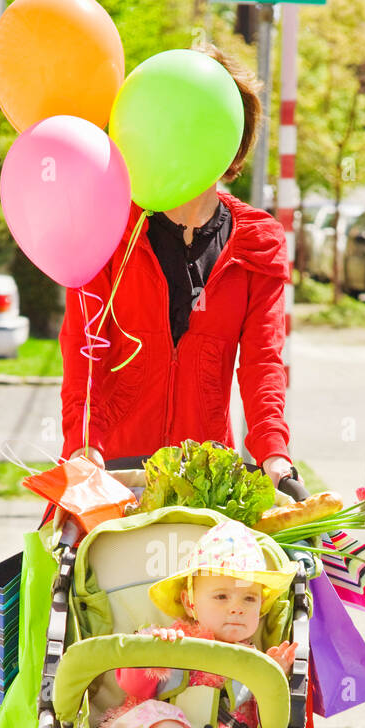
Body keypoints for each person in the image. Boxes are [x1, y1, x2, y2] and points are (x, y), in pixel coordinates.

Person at [60, 44, 296, 489]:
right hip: (110, 473)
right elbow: (84, 349)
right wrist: (84, 444)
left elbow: (263, 363)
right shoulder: (110, 227)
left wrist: (274, 454)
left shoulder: (257, 243)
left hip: (205, 481)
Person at [97, 522, 297, 728]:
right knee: (163, 719)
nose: (237, 607)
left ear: (260, 608)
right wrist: (152, 653)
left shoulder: (255, 662)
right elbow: (131, 686)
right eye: (221, 596)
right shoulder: (171, 639)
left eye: (249, 598)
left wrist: (273, 679)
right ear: (190, 603)